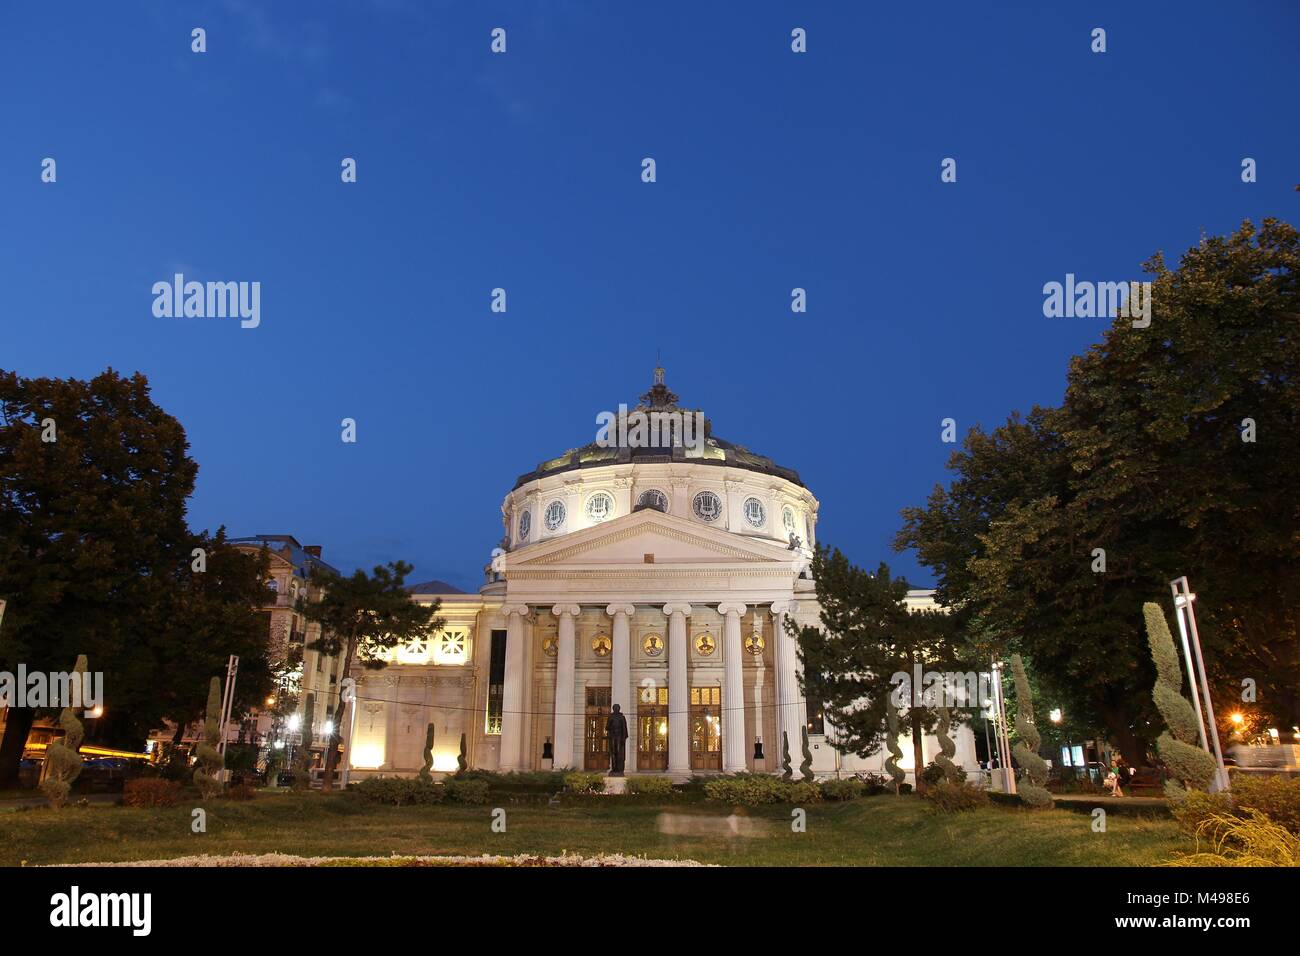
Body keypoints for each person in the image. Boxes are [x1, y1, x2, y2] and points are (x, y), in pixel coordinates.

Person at [606, 703, 629, 776]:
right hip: (613, 736)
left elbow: (624, 728)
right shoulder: (611, 717)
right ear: (613, 709)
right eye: (615, 708)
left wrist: (623, 738)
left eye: (617, 708)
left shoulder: (622, 717)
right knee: (613, 752)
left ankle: (619, 769)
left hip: (619, 736)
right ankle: (614, 768)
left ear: (619, 709)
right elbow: (607, 727)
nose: (616, 709)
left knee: (619, 752)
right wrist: (611, 726)